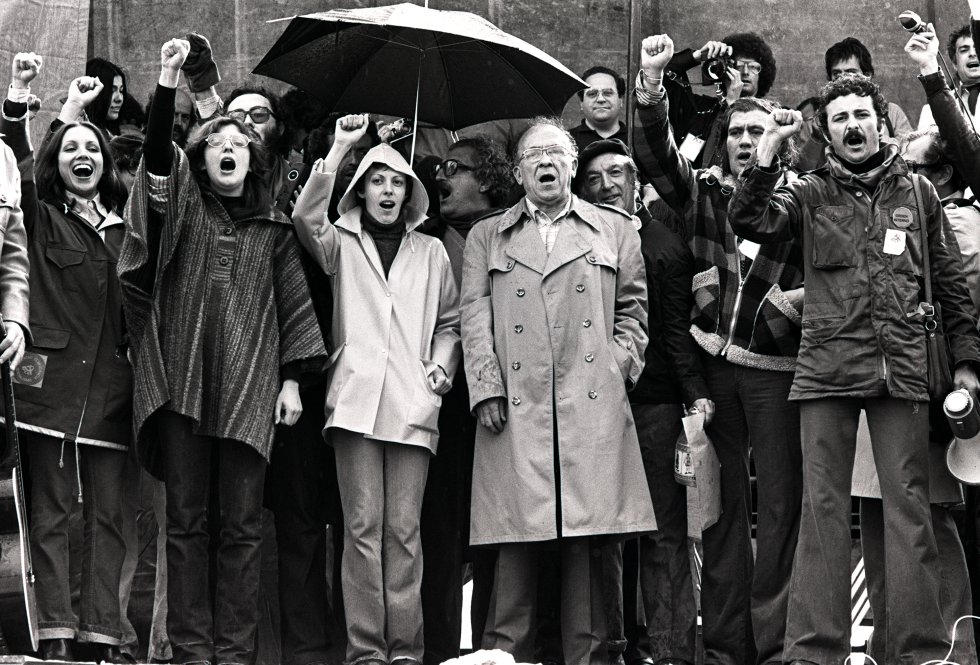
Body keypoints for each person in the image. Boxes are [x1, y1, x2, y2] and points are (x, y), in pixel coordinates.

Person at [727, 71, 980, 665]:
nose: (852, 126)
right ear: (827, 132)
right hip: (826, 370)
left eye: (860, 115)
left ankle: (920, 651)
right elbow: (750, 220)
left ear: (880, 122)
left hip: (902, 370)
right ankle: (814, 653)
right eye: (839, 119)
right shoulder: (808, 192)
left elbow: (948, 284)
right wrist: (767, 152)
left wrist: (967, 364)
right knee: (822, 511)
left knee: (910, 509)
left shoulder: (917, 194)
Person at [117, 37, 326, 665]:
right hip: (179, 384)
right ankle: (191, 651)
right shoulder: (179, 211)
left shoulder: (275, 232)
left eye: (240, 144)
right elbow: (156, 157)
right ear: (200, 162)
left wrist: (292, 382)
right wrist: (165, 81)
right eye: (217, 145)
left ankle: (234, 653)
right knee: (185, 525)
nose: (230, 150)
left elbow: (293, 310)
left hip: (250, 391)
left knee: (240, 528)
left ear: (253, 162)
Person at [634, 33, 804, 665]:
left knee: (782, 506)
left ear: (778, 140)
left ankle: (778, 643)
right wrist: (652, 84)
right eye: (735, 132)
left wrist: (790, 306)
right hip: (712, 365)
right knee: (723, 509)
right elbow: (654, 157)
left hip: (777, 370)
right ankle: (728, 646)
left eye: (757, 132)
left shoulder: (802, 192)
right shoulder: (699, 188)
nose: (743, 142)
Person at [459, 117, 655, 665]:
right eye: (533, 156)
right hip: (514, 407)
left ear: (573, 164)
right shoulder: (486, 235)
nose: (545, 163)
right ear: (518, 173)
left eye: (556, 153)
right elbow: (473, 319)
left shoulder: (616, 230)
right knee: (515, 548)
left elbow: (634, 313)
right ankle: (504, 658)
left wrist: (616, 370)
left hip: (590, 403)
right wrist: (486, 388)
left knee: (589, 551)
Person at [292, 114, 461, 665]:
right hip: (356, 400)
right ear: (360, 189)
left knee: (404, 533)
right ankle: (366, 651)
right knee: (362, 529)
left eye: (397, 183)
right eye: (377, 181)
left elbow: (450, 321)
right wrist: (342, 146)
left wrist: (440, 367)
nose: (388, 191)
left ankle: (406, 651)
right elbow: (303, 214)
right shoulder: (339, 241)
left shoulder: (432, 252)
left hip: (413, 401)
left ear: (411, 192)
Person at [1, 53, 130, 663]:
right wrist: (25, 94)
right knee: (50, 514)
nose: (84, 156)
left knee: (108, 520)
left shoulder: (128, 228)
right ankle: (53, 636)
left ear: (106, 166)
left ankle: (100, 640)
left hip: (113, 390)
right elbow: (15, 170)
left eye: (94, 150)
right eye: (71, 147)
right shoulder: (40, 214)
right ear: (58, 161)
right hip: (46, 390)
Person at [574, 138, 711, 665]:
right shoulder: (572, 241)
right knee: (601, 535)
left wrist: (694, 395)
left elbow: (675, 331)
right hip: (591, 405)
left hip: (654, 408)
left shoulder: (662, 244)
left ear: (637, 185)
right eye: (594, 178)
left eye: (617, 175)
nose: (606, 185)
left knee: (663, 536)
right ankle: (608, 646)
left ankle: (674, 651)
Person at [419, 136, 513, 665]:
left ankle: (488, 649)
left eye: (455, 168)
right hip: (438, 401)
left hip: (499, 403)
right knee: (439, 531)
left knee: (494, 536)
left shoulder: (510, 233)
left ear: (489, 179)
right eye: (441, 166)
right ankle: (437, 650)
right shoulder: (423, 236)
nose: (441, 176)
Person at [660, 32, 777, 168]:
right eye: (738, 66)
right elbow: (660, 76)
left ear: (762, 75)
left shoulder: (771, 117)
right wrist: (697, 56)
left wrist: (733, 105)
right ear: (724, 71)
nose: (745, 72)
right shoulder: (701, 110)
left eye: (753, 67)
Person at [797, 37, 914, 171]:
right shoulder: (816, 117)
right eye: (836, 73)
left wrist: (877, 139)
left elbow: (910, 158)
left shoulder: (891, 113)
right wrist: (817, 138)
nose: (843, 79)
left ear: (867, 75)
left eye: (851, 72)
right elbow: (803, 169)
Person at [918, 22, 980, 131]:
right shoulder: (931, 110)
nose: (972, 54)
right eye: (964, 50)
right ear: (954, 64)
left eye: (977, 48)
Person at [570, 66, 629, 153]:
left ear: (621, 100)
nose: (600, 99)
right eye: (592, 94)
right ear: (581, 103)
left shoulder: (636, 140)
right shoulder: (566, 141)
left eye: (608, 93)